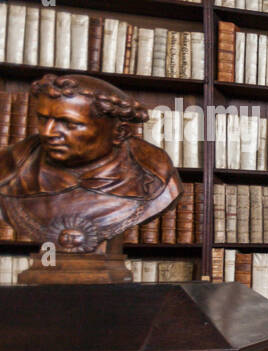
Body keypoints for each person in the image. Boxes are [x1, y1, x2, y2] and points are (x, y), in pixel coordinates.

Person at [0, 74, 180, 252]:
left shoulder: (155, 178)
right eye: (43, 119)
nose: (48, 132)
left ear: (119, 133)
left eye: (69, 124)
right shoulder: (9, 167)